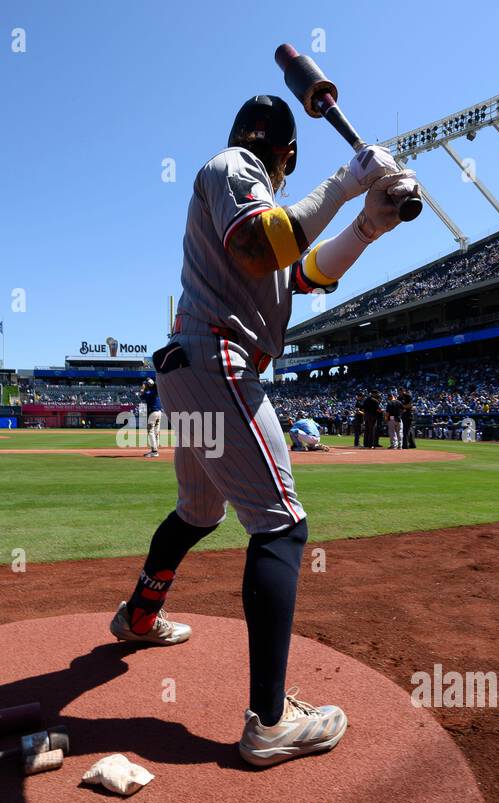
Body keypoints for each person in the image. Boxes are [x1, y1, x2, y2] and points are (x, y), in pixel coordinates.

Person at [106, 93, 418, 767]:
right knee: (281, 524)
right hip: (217, 362)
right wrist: (347, 181)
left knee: (199, 509)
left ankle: (138, 614)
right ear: (287, 156)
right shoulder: (235, 167)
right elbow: (258, 248)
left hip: (190, 365)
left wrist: (369, 225)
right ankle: (270, 721)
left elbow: (304, 272)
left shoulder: (266, 208)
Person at [140, 377, 163, 457]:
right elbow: (155, 385)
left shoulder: (149, 392)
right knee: (156, 432)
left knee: (150, 431)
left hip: (153, 413)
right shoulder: (156, 390)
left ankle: (154, 451)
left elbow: (141, 396)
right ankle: (155, 449)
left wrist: (143, 388)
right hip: (159, 412)